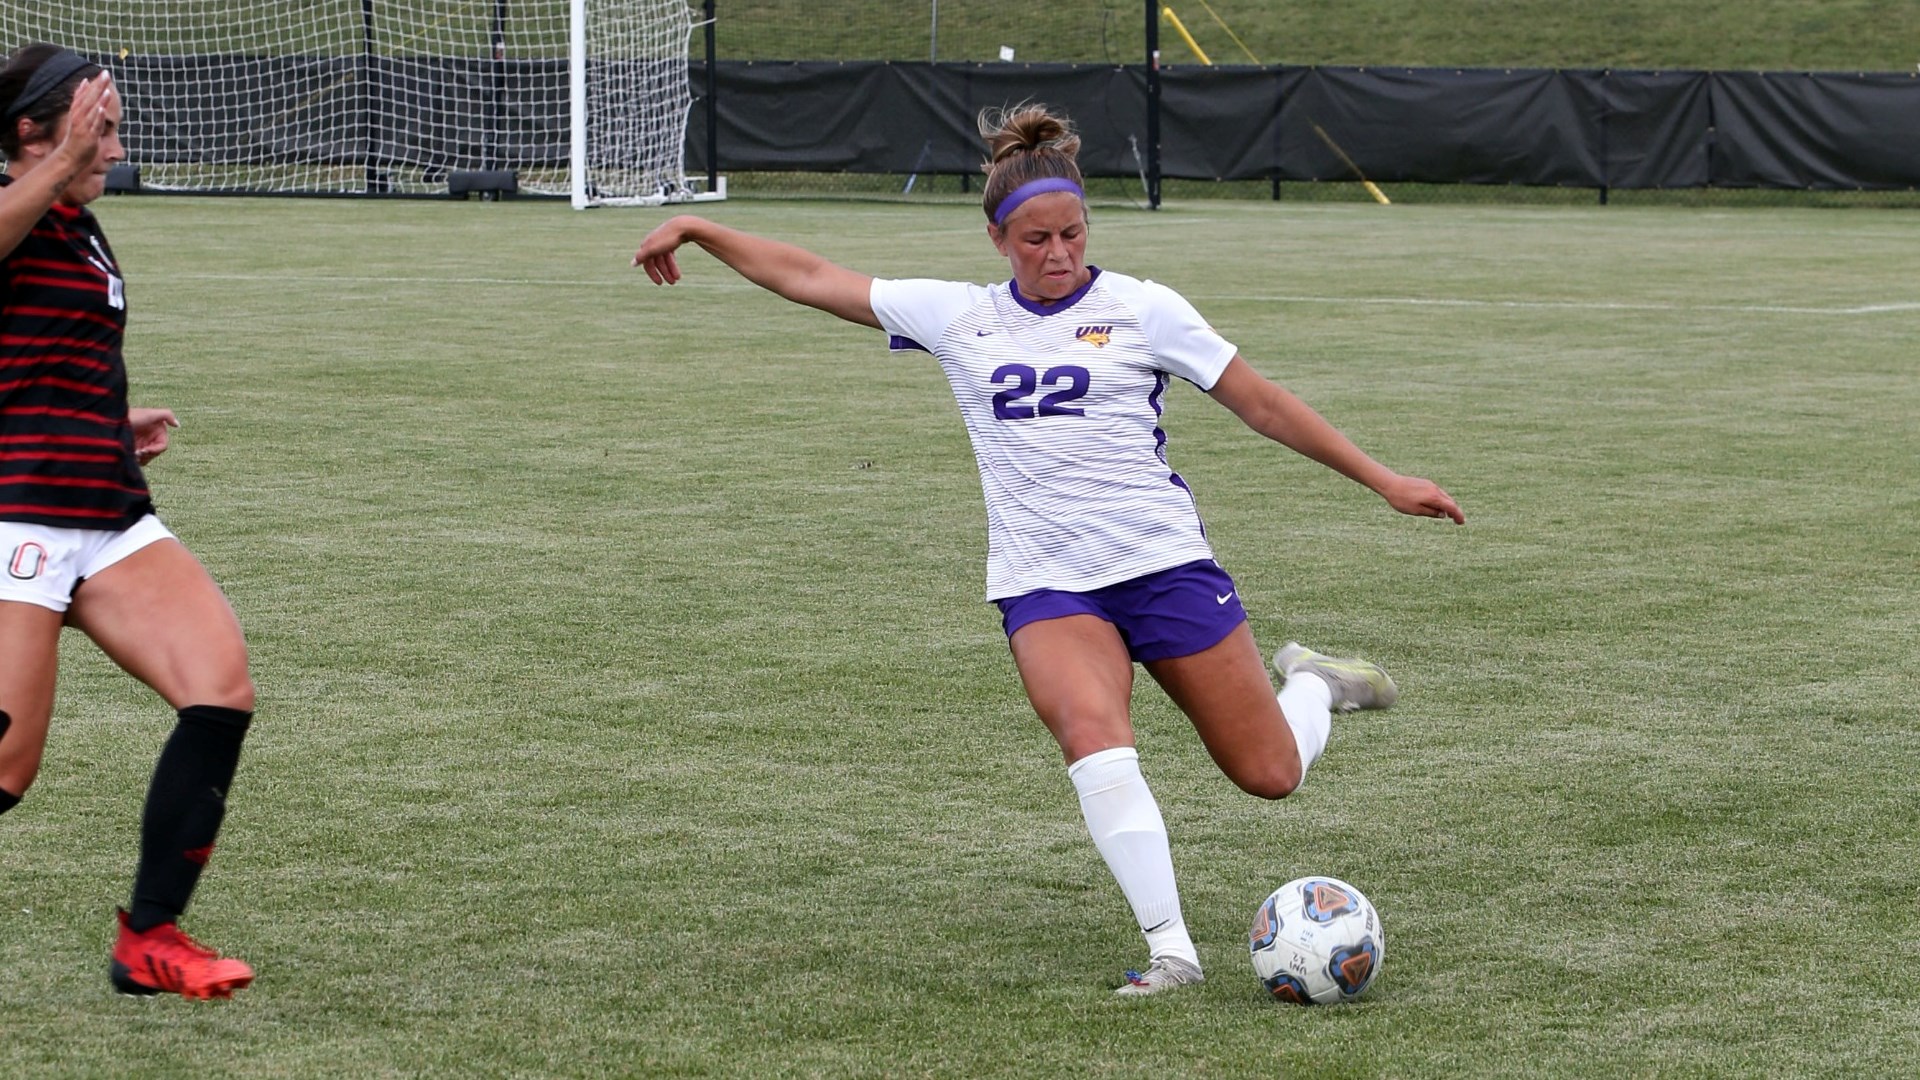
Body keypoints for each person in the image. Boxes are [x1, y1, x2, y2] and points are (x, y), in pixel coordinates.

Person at [632, 103, 1464, 995]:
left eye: (1072, 233)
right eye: (1036, 239)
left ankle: (1316, 684)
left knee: (1269, 774)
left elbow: (1260, 402)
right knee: (1094, 739)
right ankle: (1171, 952)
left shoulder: (1144, 308)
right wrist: (701, 226)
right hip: (1046, 583)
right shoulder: (955, 317)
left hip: (1164, 568)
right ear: (998, 239)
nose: (1059, 252)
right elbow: (810, 276)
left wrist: (1382, 479)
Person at [0, 43, 255, 1000]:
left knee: (219, 689)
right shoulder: (22, 204)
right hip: (16, 512)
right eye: (94, 129)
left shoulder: (80, 224)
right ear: (33, 133)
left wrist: (113, 420)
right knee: (7, 771)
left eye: (110, 129)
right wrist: (59, 170)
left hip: (104, 511)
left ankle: (151, 937)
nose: (113, 144)